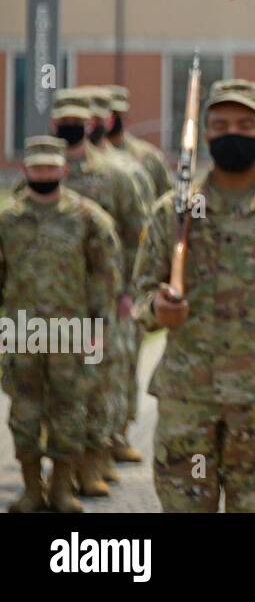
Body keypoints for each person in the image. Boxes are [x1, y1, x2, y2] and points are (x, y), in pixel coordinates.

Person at [133, 79, 255, 512]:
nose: (233, 133)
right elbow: (139, 299)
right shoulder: (176, 210)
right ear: (205, 133)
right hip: (187, 401)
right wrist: (158, 310)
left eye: (246, 124)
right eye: (221, 124)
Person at [0, 137, 121, 513]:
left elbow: (105, 274)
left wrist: (101, 325)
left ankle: (62, 489)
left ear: (64, 170)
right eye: (37, 168)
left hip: (72, 331)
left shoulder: (88, 217)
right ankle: (32, 489)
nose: (44, 174)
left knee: (70, 410)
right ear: (25, 170)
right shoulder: (8, 219)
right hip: (21, 330)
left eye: (51, 167)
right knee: (24, 413)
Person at [47, 88, 146, 498]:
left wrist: (128, 290)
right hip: (49, 299)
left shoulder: (116, 173)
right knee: (52, 386)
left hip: (99, 298)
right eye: (63, 122)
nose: (70, 128)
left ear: (91, 126)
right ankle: (56, 475)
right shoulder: (45, 171)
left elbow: (135, 232)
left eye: (77, 122)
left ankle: (96, 459)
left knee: (99, 380)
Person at [104, 83, 171, 199]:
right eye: (108, 114)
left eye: (116, 114)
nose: (111, 119)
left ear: (126, 116)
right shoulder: (87, 157)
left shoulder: (148, 157)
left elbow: (167, 197)